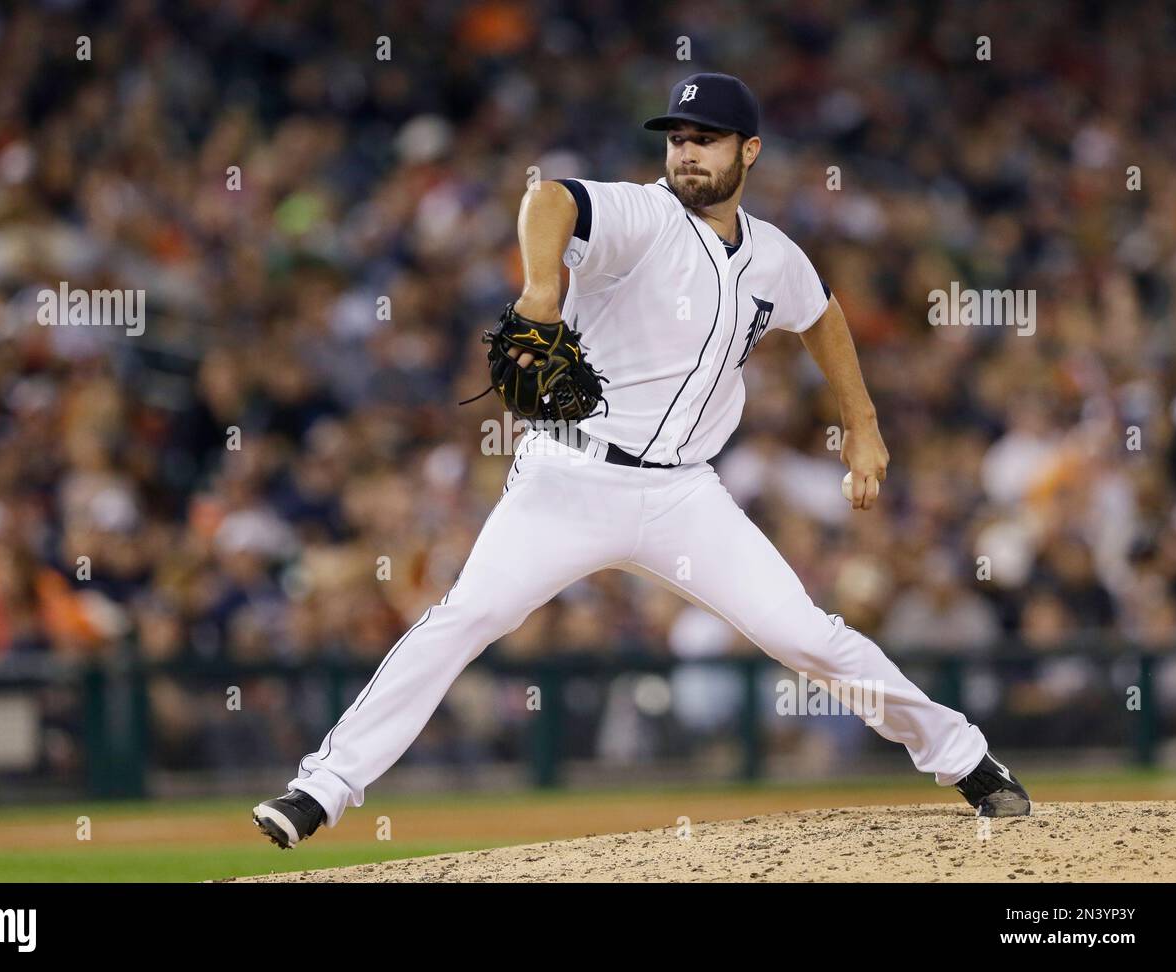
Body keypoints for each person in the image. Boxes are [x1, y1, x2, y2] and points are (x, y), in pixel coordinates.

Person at [251, 72, 1030, 849]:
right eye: (677, 137)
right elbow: (551, 199)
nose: (686, 152)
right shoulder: (642, 216)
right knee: (467, 618)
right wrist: (539, 293)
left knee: (807, 637)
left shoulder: (774, 257)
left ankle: (966, 759)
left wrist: (861, 424)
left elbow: (823, 316)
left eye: (706, 138)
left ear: (749, 150)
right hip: (569, 477)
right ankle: (322, 786)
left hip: (683, 496)